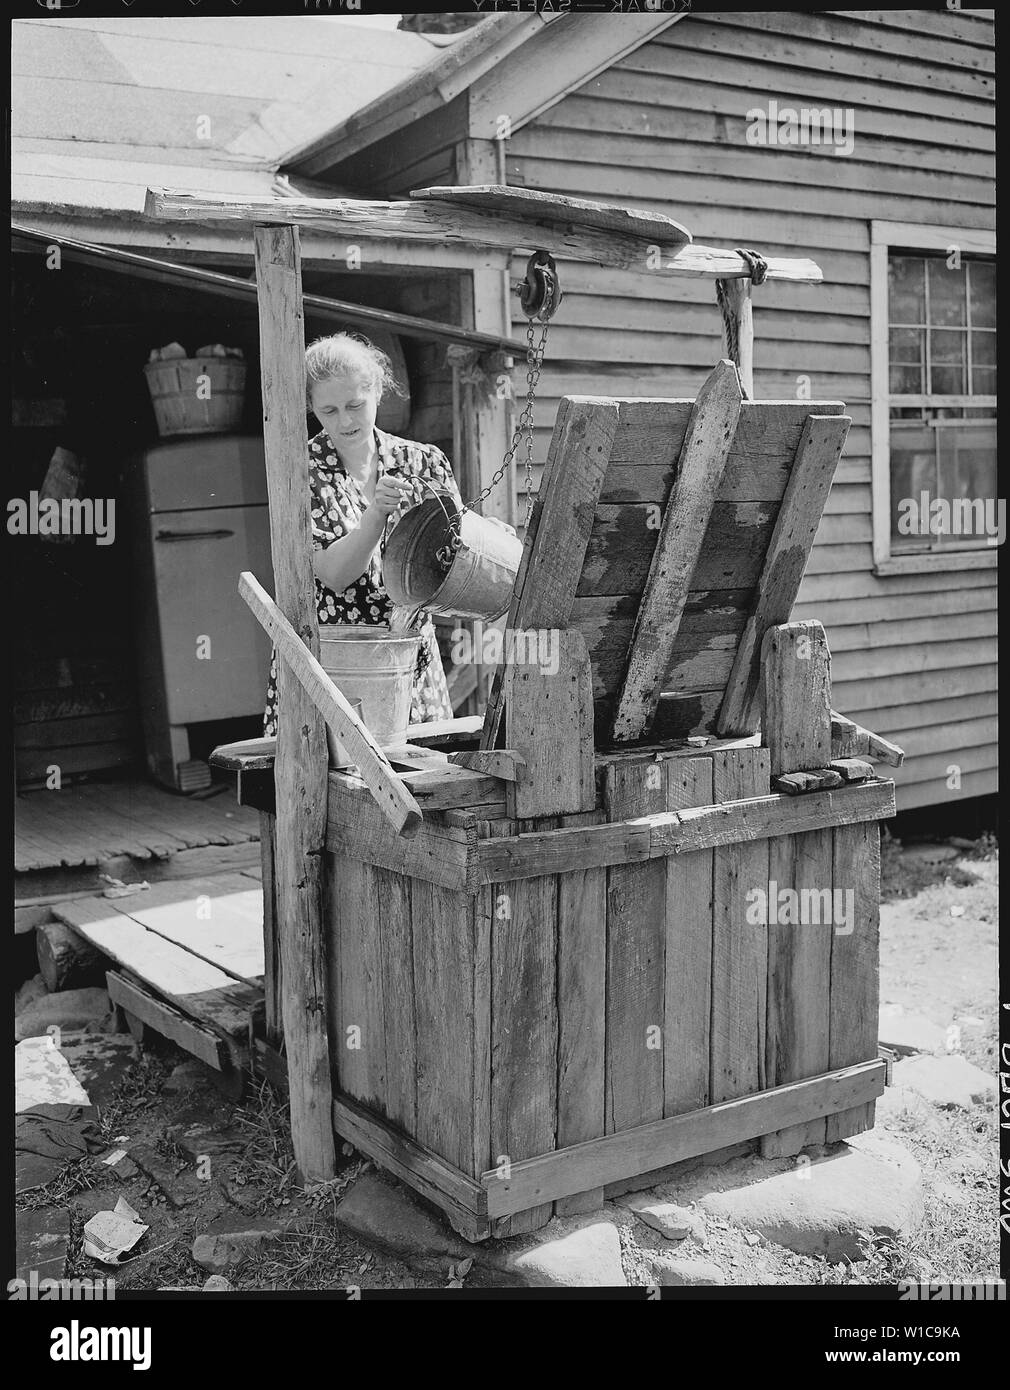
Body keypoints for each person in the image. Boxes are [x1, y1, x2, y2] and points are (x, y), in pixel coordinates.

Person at [262, 332, 459, 737]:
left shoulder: (422, 461)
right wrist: (376, 516)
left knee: (422, 784)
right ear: (311, 408)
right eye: (329, 410)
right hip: (335, 667)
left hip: (410, 662)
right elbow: (334, 574)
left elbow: (456, 559)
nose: (345, 421)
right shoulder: (300, 473)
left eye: (355, 405)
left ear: (377, 392)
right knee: (334, 789)